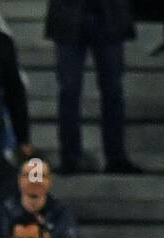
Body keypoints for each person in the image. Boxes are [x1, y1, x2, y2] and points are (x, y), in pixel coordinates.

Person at [45, 0, 142, 175]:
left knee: (112, 90)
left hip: (107, 14)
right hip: (70, 14)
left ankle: (115, 156)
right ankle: (71, 156)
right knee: (70, 91)